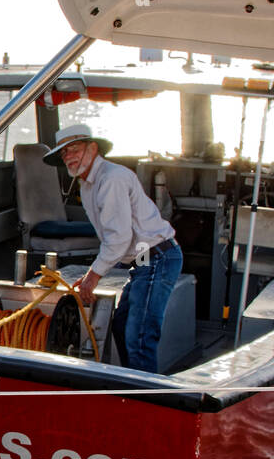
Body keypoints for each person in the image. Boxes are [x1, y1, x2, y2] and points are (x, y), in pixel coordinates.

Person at [44, 123, 180, 373]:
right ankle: (133, 382)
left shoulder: (112, 178)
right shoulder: (87, 186)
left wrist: (92, 277)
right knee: (122, 324)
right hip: (142, 261)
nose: (69, 157)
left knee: (139, 337)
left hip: (158, 257)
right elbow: (115, 238)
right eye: (64, 153)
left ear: (93, 148)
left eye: (74, 149)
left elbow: (118, 238)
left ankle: (145, 399)